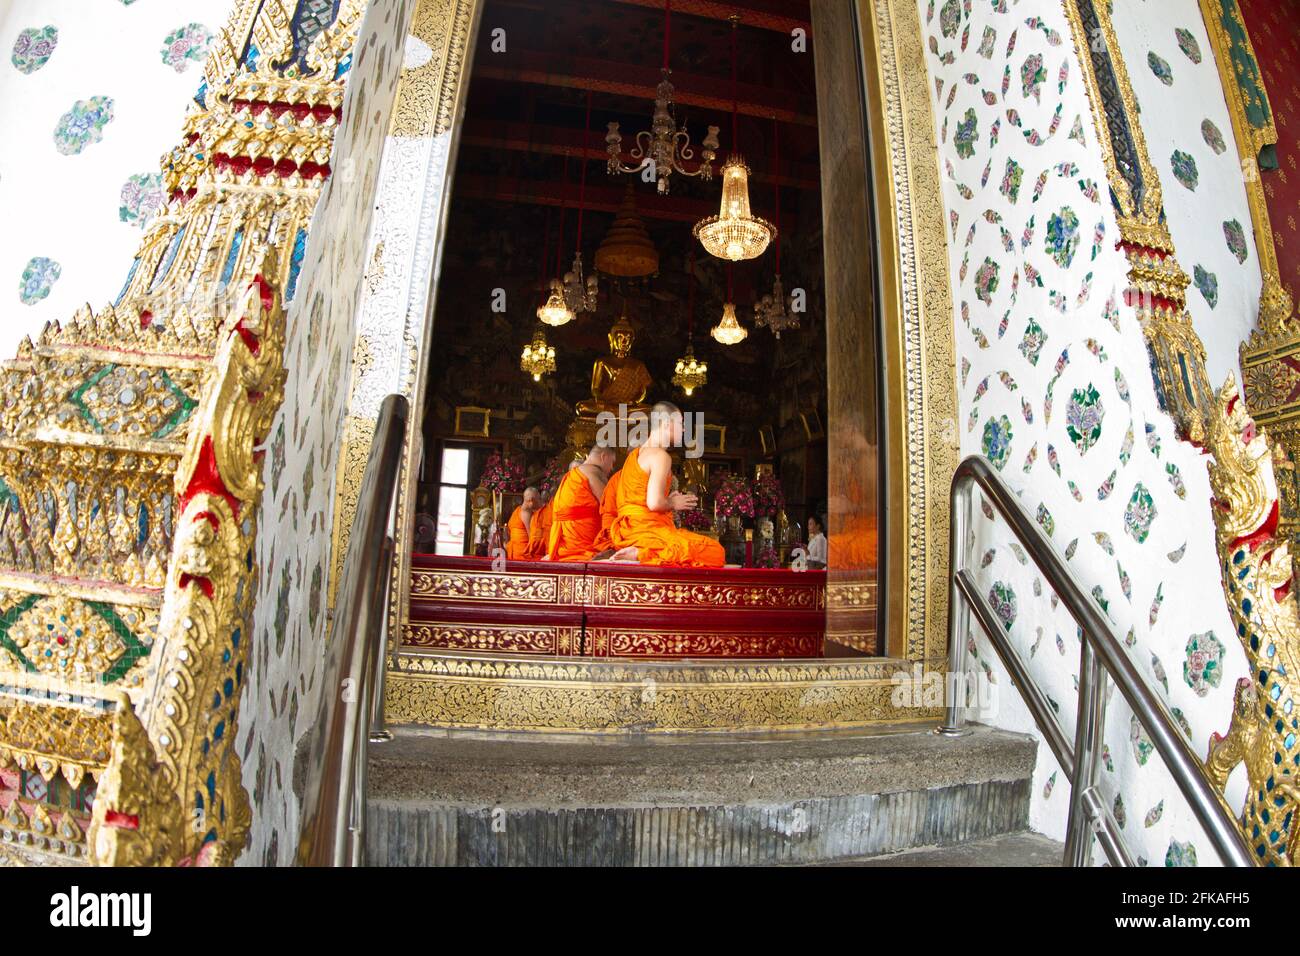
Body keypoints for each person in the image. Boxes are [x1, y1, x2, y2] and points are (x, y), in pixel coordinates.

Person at [609, 401, 726, 567]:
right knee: (715, 551)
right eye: (680, 423)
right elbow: (655, 503)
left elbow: (644, 499)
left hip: (628, 530)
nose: (684, 429)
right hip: (647, 531)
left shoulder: (636, 454)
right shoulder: (660, 456)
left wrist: (667, 499)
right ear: (666, 424)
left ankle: (643, 550)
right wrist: (672, 502)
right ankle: (642, 552)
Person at [591, 410, 649, 553]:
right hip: (622, 535)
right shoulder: (617, 479)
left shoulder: (654, 475)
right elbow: (608, 513)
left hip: (648, 532)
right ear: (630, 455)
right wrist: (613, 540)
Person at [545, 446, 616, 561]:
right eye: (612, 462)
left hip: (565, 543)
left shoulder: (573, 475)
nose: (612, 468)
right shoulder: (594, 472)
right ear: (604, 457)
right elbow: (608, 506)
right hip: (585, 544)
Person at [505, 486, 541, 560]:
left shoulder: (517, 510)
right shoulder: (526, 513)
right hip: (522, 553)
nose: (539, 503)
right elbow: (531, 536)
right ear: (531, 501)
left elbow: (508, 532)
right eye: (538, 500)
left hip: (513, 551)